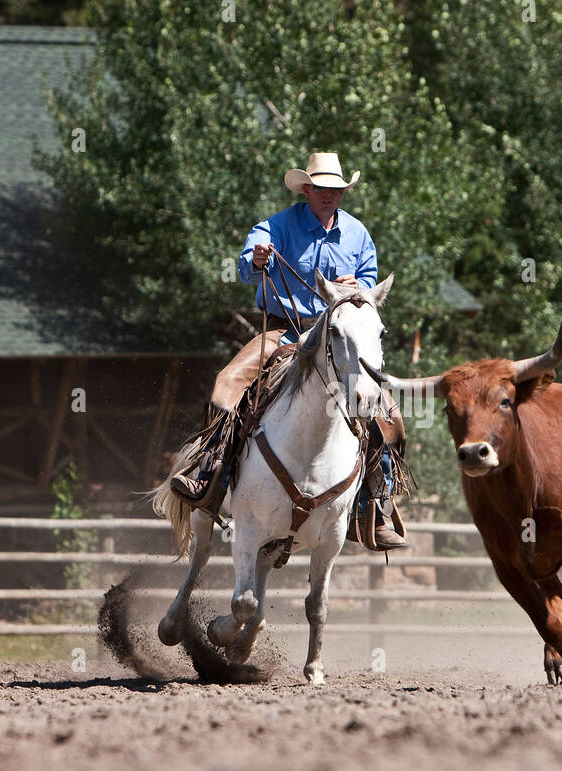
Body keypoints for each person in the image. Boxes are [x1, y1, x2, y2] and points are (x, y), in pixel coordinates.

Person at [169, 152, 408, 550]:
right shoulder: (278, 225)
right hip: (284, 328)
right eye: (322, 188)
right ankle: (209, 475)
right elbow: (249, 262)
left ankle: (374, 506)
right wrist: (257, 259)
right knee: (226, 384)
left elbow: (370, 284)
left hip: (338, 336)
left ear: (343, 191)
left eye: (337, 189)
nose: (330, 195)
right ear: (307, 189)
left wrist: (358, 286)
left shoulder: (357, 234)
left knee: (389, 416)